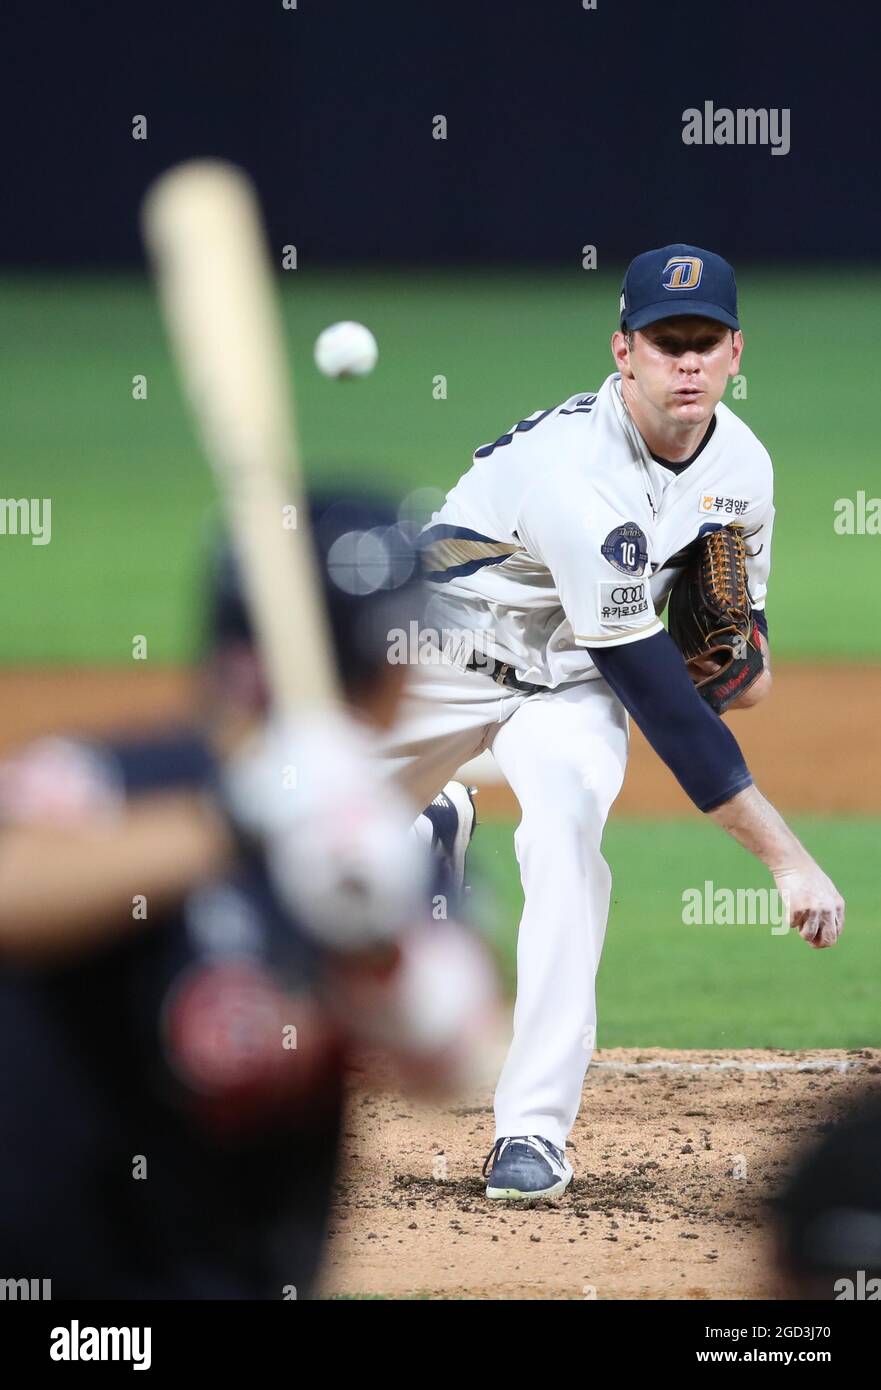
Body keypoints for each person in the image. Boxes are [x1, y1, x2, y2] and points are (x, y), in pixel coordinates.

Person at [379, 244, 845, 1201]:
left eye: (703, 341)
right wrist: (786, 857)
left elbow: (730, 665)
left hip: (572, 682)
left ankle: (533, 1132)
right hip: (441, 651)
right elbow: (663, 706)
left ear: (733, 351)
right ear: (622, 350)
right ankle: (423, 838)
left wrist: (737, 668)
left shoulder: (743, 469)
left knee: (563, 835)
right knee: (306, 840)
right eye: (664, 341)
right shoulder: (574, 476)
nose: (686, 361)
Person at [0, 493, 496, 1298]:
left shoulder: (361, 847)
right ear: (374, 659)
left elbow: (450, 1056)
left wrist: (377, 945)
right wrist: (233, 821)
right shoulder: (101, 786)